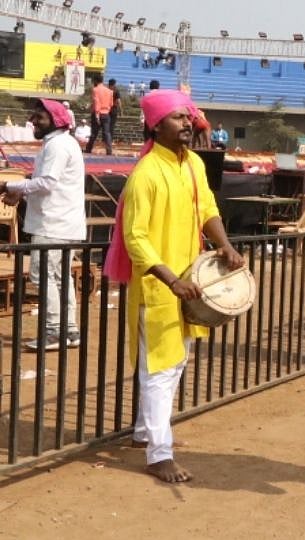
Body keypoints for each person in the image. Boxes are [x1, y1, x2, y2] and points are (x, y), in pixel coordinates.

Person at [116, 89, 244, 483]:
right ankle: (159, 454)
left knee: (174, 364)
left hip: (189, 284)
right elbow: (135, 238)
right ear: (156, 125)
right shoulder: (146, 173)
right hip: (160, 288)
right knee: (161, 368)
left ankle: (146, 434)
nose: (187, 123)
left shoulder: (192, 165)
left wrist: (224, 245)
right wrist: (171, 279)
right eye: (177, 118)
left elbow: (207, 208)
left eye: (187, 117)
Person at [0, 100, 85, 350]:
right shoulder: (61, 143)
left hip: (53, 225)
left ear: (56, 120)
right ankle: (68, 331)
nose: (33, 121)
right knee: (59, 279)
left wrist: (9, 186)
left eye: (40, 117)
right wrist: (21, 192)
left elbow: (47, 182)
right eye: (34, 116)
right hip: (65, 223)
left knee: (43, 275)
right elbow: (48, 184)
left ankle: (53, 332)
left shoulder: (58, 145)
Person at [84, 73, 113, 155]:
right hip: (106, 114)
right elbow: (111, 104)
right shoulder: (110, 91)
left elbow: (96, 102)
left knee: (94, 133)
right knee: (107, 133)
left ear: (95, 81)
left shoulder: (95, 90)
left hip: (97, 113)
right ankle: (109, 150)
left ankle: (89, 149)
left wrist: (96, 114)